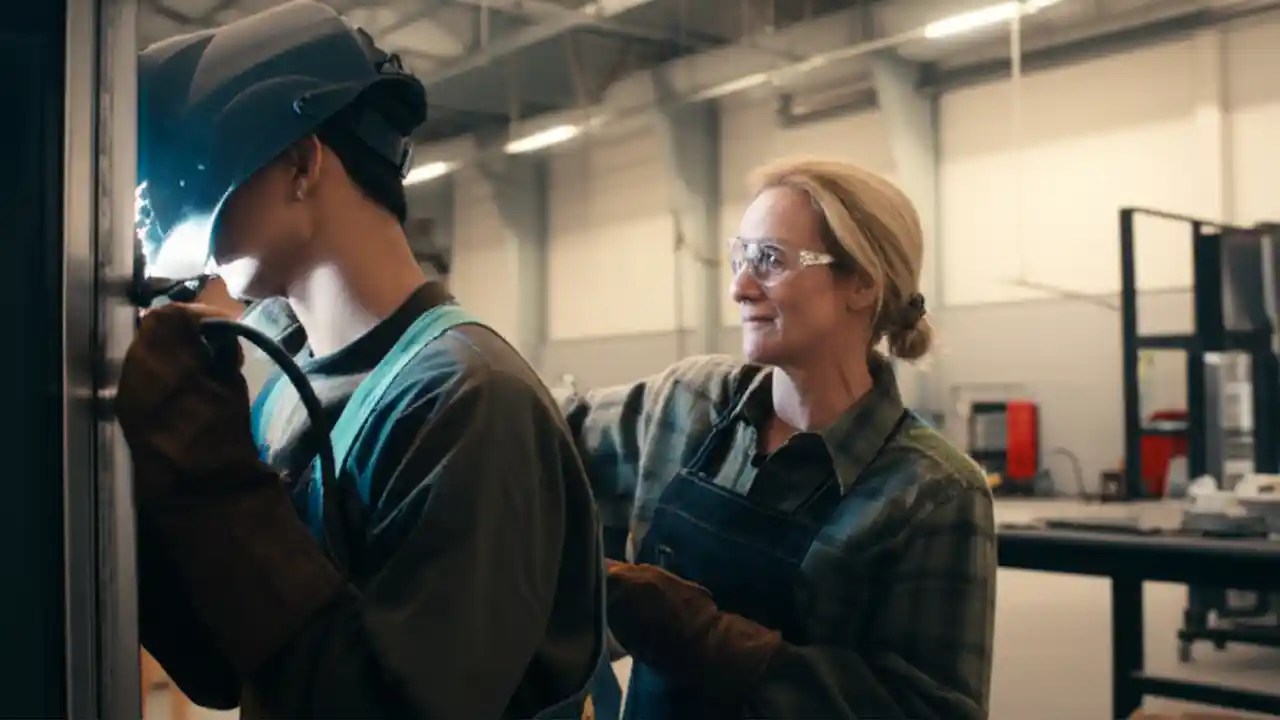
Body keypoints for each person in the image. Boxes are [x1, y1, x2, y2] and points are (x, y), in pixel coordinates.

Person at [117, 2, 604, 718]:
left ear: (301, 162)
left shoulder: (469, 403)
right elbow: (237, 661)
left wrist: (207, 477)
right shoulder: (290, 377)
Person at [564, 158, 997, 719]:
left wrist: (708, 641)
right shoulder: (687, 402)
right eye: (739, 256)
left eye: (769, 260)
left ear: (862, 282)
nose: (740, 286)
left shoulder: (932, 492)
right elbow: (539, 441)